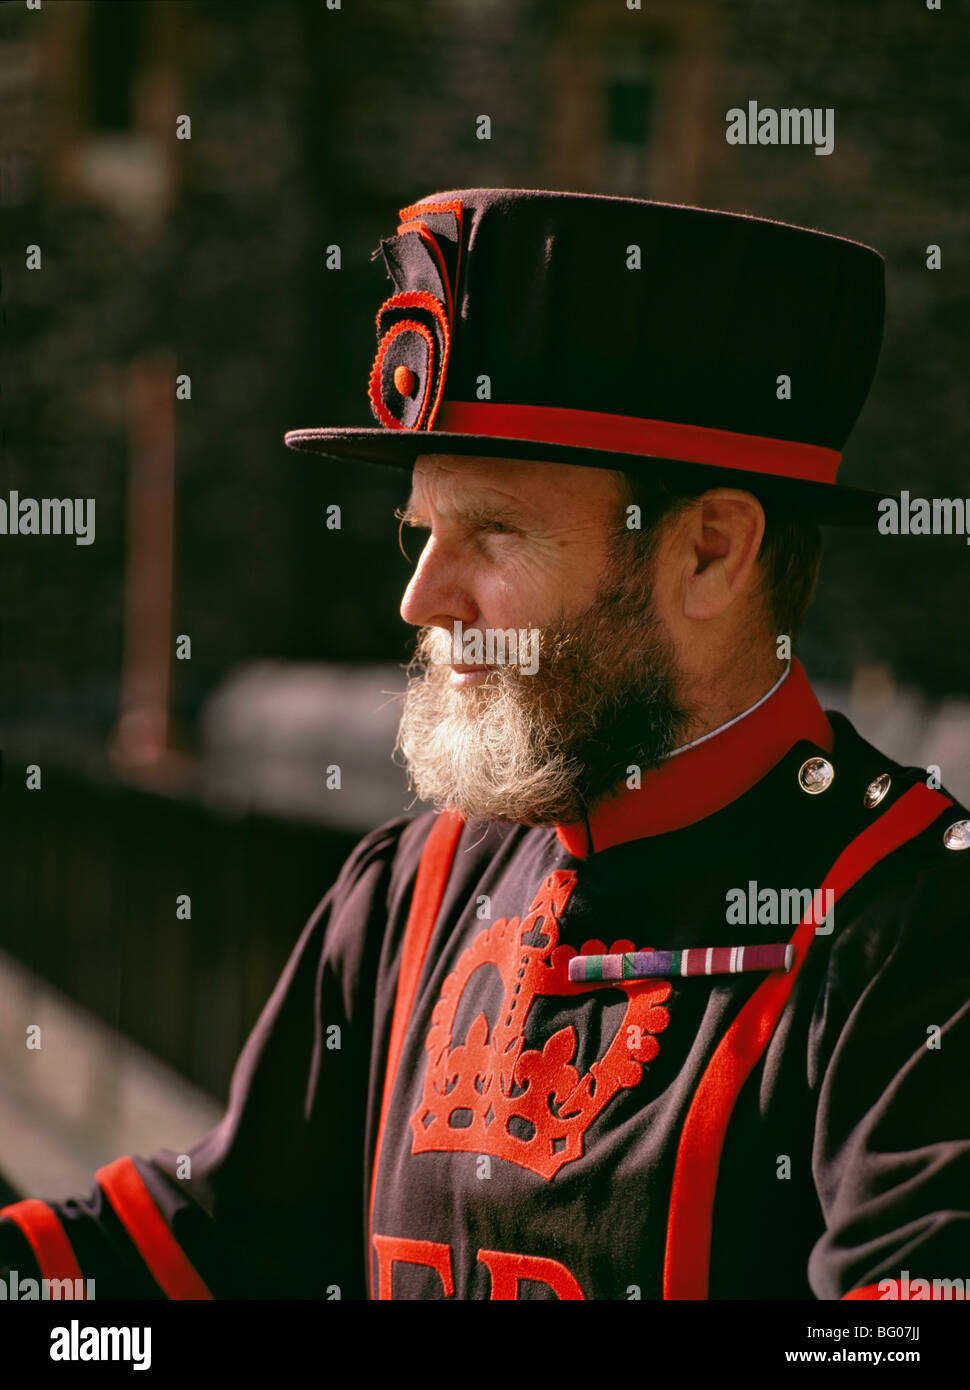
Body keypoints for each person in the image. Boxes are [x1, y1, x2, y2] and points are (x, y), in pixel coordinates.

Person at [2, 189, 967, 1300]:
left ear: (708, 551)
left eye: (494, 529)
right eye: (421, 531)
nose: (419, 598)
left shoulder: (921, 931)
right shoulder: (414, 885)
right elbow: (213, 1250)